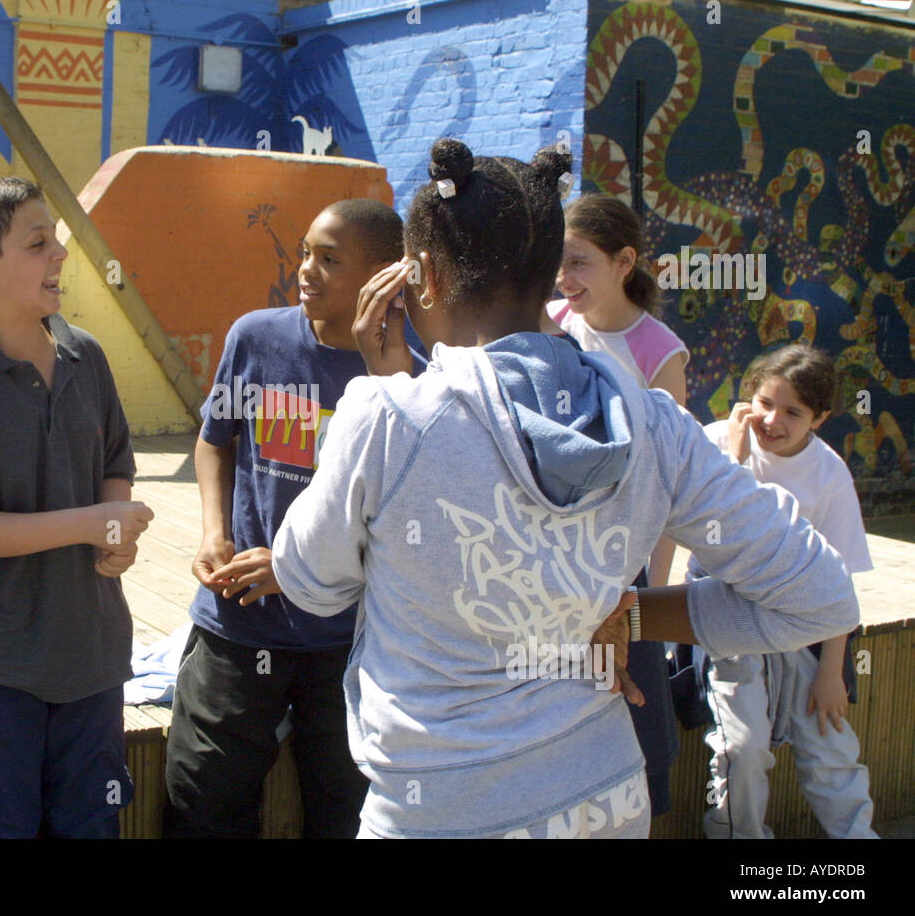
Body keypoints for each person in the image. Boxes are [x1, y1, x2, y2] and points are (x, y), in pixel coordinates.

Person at [273, 139, 859, 838]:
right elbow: (822, 598)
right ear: (550, 270)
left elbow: (308, 583)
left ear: (423, 275)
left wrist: (383, 389)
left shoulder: (388, 416)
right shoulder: (653, 422)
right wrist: (632, 613)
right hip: (606, 796)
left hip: (442, 807)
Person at [164, 199, 423, 838]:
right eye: (305, 252)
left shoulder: (411, 373)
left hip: (348, 640)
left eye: (329, 259)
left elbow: (413, 521)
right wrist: (214, 530)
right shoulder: (256, 338)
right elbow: (214, 439)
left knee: (346, 814)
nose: (305, 270)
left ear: (385, 275)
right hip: (240, 620)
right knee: (201, 805)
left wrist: (295, 570)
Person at [0, 177, 152, 839]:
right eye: (38, 243)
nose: (60, 256)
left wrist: (115, 531)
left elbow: (115, 465)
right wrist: (88, 523)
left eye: (56, 240)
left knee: (91, 824)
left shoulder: (87, 356)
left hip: (90, 656)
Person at [543, 192, 689, 814]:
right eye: (558, 262)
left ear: (625, 261)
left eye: (579, 262)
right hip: (553, 561)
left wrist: (646, 595)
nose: (563, 278)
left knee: (641, 724)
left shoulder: (660, 352)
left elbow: (668, 486)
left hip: (623, 567)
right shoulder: (549, 325)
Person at [696, 343, 877, 839]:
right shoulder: (716, 444)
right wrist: (733, 461)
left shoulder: (829, 472)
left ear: (819, 418)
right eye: (765, 402)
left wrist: (832, 672)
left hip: (804, 627)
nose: (772, 420)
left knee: (831, 744)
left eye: (793, 412)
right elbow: (703, 531)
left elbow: (840, 584)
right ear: (748, 396)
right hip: (730, 618)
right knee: (744, 747)